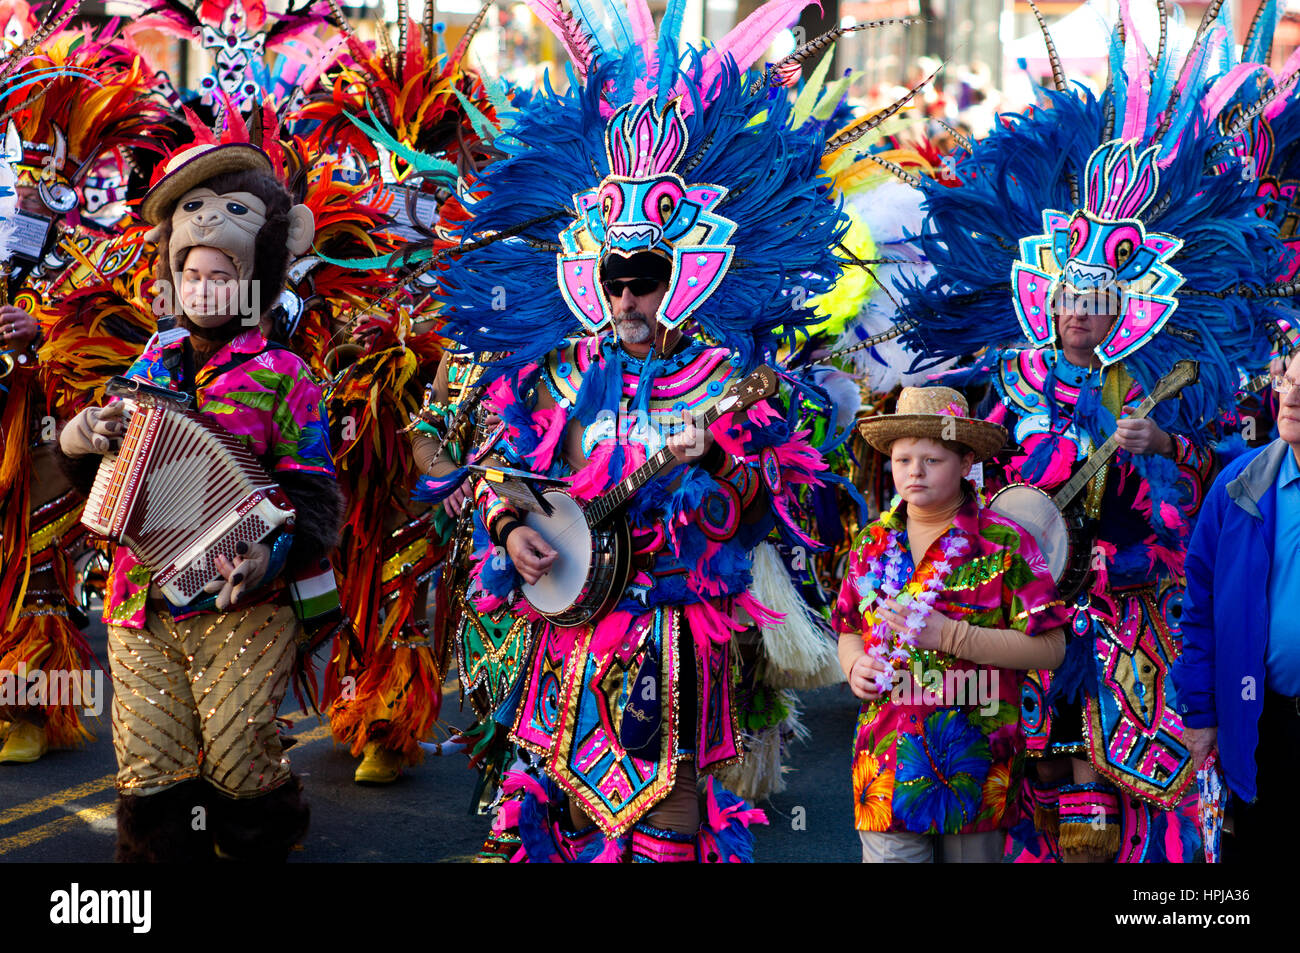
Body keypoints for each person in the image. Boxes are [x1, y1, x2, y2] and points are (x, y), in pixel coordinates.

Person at [57, 139, 341, 862]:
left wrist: (270, 553)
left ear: (255, 278)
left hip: (240, 606)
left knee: (242, 765)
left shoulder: (287, 375)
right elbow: (106, 485)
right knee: (152, 775)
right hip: (136, 603)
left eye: (222, 273)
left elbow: (315, 500)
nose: (204, 286)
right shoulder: (150, 360)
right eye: (190, 271)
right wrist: (80, 438)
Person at [835, 385, 1068, 862]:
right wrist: (854, 664)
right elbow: (848, 627)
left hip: (976, 760)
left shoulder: (1007, 542)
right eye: (902, 460)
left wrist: (953, 636)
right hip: (885, 763)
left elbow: (1052, 648)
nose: (914, 472)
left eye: (932, 460)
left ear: (966, 465)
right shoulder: (872, 542)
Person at [1174, 351, 1300, 863]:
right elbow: (1198, 606)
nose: (1290, 398)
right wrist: (1201, 712)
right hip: (1265, 722)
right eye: (1288, 380)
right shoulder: (1238, 484)